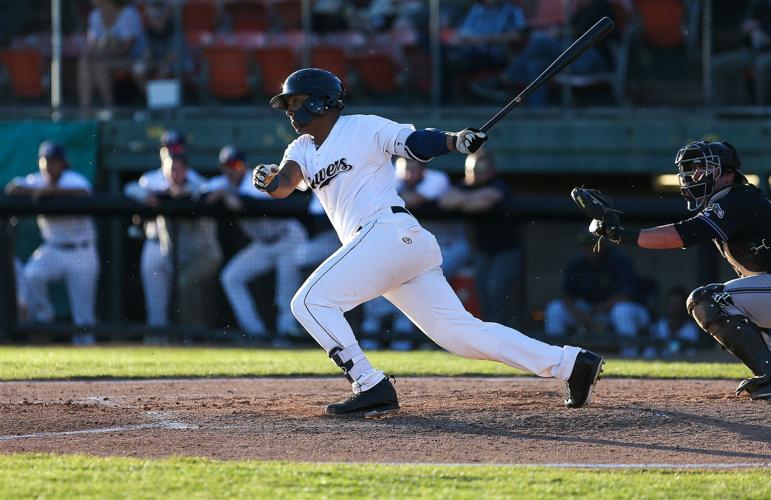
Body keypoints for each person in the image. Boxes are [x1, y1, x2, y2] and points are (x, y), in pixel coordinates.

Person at [251, 68, 604, 417]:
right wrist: (267, 180)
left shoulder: (363, 126)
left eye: (296, 101)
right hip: (389, 248)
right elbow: (284, 185)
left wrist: (453, 140)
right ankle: (571, 364)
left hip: (388, 233)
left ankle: (369, 384)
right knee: (461, 336)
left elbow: (414, 142)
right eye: (287, 104)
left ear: (321, 101)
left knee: (310, 302)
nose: (290, 110)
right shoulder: (301, 147)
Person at [586, 140, 771, 400]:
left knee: (707, 300)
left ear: (728, 173)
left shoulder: (738, 199)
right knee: (734, 303)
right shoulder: (734, 200)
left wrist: (620, 234)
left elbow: (682, 235)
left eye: (702, 168)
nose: (693, 175)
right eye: (691, 168)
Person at [200, 145, 307, 344]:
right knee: (231, 277)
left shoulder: (255, 180)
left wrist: (226, 195)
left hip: (288, 239)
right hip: (263, 244)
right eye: (227, 166)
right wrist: (223, 194)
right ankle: (255, 334)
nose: (232, 170)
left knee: (286, 295)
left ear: (244, 166)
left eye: (236, 164)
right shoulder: (223, 183)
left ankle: (285, 338)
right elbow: (201, 196)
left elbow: (244, 204)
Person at [362, 157, 471, 350]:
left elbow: (412, 200)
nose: (410, 174)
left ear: (423, 170)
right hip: (415, 248)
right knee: (386, 288)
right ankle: (389, 342)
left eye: (414, 169)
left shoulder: (437, 179)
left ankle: (422, 342)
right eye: (406, 169)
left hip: (449, 245)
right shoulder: (393, 179)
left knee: (417, 288)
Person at [124, 131, 222, 339]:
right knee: (156, 301)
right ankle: (157, 341)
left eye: (176, 150)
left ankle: (191, 336)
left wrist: (185, 193)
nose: (172, 155)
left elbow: (206, 191)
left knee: (185, 289)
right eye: (168, 150)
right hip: (154, 242)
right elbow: (130, 188)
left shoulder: (194, 179)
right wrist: (149, 196)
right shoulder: (152, 178)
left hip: (189, 246)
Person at [5, 142, 100, 345]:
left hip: (81, 250)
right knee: (31, 275)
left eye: (54, 161)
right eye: (45, 161)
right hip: (53, 249)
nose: (49, 166)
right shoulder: (37, 180)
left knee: (83, 316)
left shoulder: (72, 179)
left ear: (63, 163)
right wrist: (37, 191)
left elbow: (84, 193)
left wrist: (51, 192)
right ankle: (43, 320)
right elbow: (12, 188)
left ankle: (86, 351)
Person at [469, 0, 617, 106]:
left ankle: (506, 78)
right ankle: (538, 112)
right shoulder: (580, 11)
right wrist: (559, 28)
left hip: (594, 60)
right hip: (575, 59)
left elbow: (582, 35)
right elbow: (567, 29)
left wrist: (558, 32)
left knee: (539, 39)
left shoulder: (600, 6)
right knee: (536, 65)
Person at [438, 149, 520, 325]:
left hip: (506, 250)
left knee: (496, 288)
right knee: (481, 289)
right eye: (472, 169)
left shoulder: (499, 185)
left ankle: (504, 330)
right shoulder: (466, 186)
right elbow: (446, 200)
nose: (475, 173)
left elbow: (483, 204)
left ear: (491, 170)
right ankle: (489, 331)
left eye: (481, 169)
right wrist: (471, 198)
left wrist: (463, 202)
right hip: (483, 250)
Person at [543, 232, 650, 357]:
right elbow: (567, 297)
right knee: (555, 309)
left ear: (602, 244)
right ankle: (555, 356)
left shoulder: (618, 260)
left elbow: (625, 295)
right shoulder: (577, 263)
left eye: (593, 245)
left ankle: (630, 355)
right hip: (590, 312)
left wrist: (599, 310)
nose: (589, 249)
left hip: (622, 311)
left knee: (621, 311)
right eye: (586, 246)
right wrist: (583, 316)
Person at [78, 0, 145, 112]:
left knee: (100, 64)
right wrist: (96, 51)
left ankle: (110, 108)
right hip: (105, 56)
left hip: (133, 58)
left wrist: (101, 52)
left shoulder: (128, 14)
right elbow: (92, 45)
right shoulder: (95, 15)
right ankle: (85, 108)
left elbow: (127, 48)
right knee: (85, 60)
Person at [713, 1, 771, 105]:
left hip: (767, 53)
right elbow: (737, 33)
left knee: (762, 65)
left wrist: (766, 39)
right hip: (753, 51)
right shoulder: (759, 6)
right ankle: (728, 109)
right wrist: (745, 27)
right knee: (718, 65)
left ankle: (762, 109)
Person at [645, 287, 701, 359]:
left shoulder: (692, 328)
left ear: (685, 307)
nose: (675, 309)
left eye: (678, 305)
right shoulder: (657, 327)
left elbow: (695, 351)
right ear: (666, 305)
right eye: (672, 305)